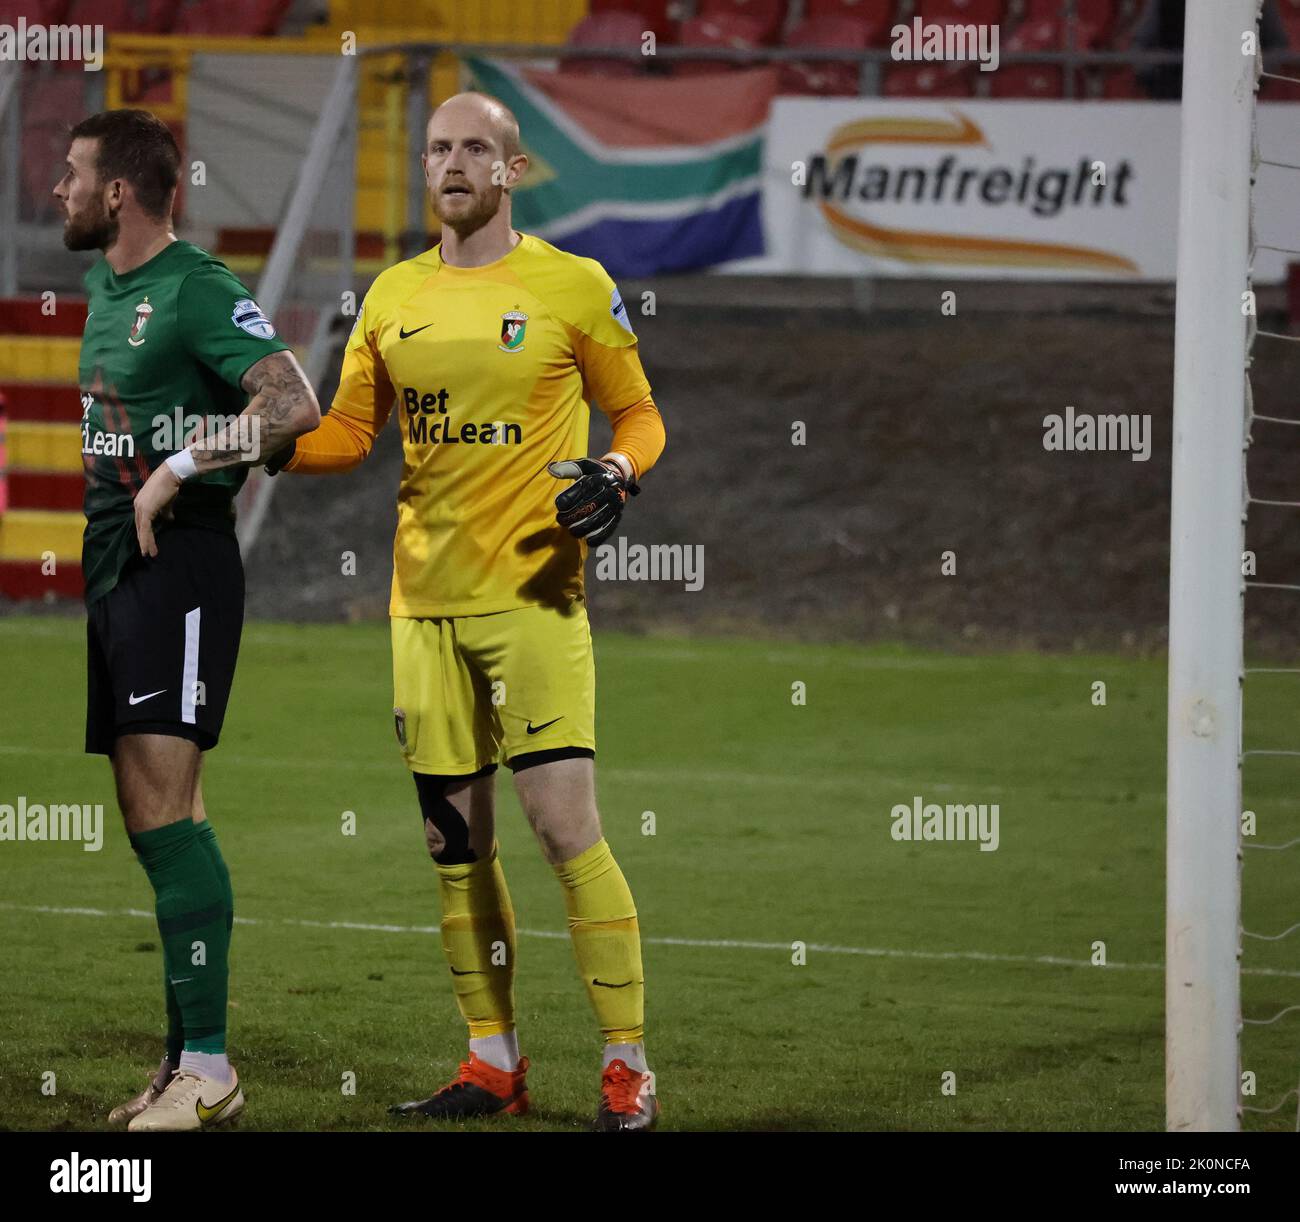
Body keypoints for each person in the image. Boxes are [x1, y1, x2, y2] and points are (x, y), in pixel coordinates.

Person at [269, 91, 666, 1131]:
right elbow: (351, 431)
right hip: (421, 608)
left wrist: (618, 471)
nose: (451, 162)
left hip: (533, 596)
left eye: (473, 148)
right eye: (437, 147)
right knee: (456, 843)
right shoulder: (393, 294)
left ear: (511, 169)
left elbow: (640, 411)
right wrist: (261, 445)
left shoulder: (572, 285)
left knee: (562, 827)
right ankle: (493, 1060)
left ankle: (627, 1066)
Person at [54, 108, 321, 1131]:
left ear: (118, 192)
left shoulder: (195, 287)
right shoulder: (103, 287)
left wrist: (177, 466)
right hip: (118, 571)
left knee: (168, 812)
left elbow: (291, 402)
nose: (60, 192)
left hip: (183, 572)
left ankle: (209, 1063)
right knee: (150, 815)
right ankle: (184, 1064)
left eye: (74, 176)